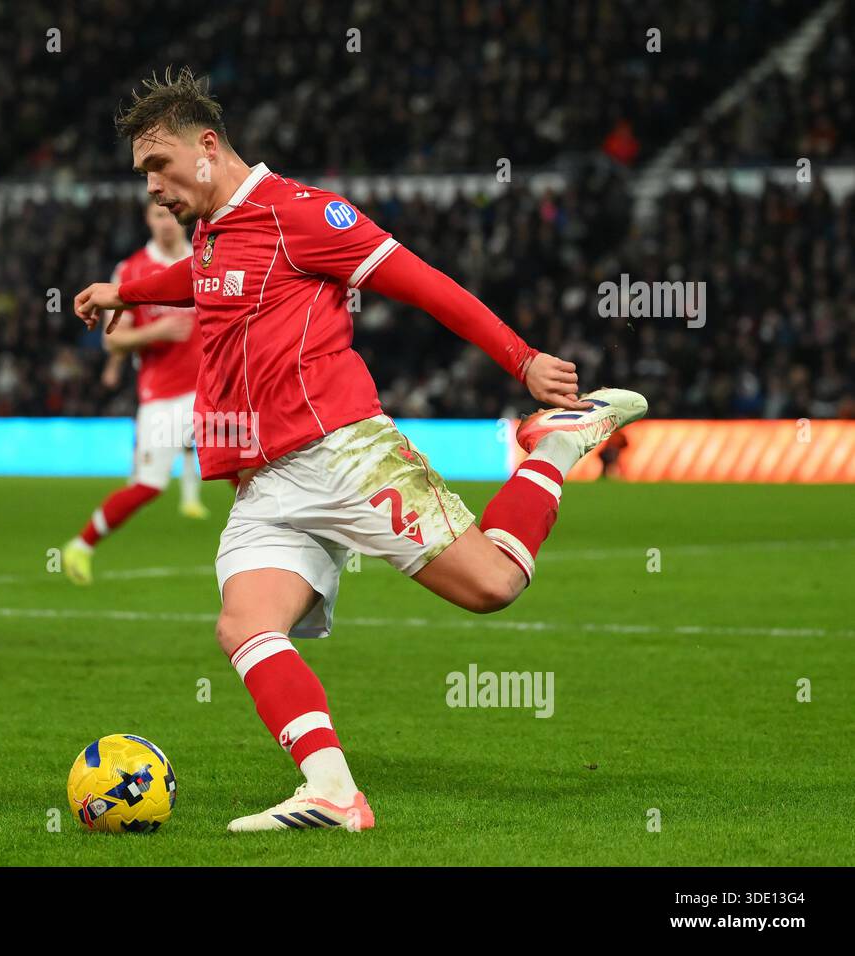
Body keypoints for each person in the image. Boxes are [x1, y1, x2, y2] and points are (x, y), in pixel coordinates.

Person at [74, 68, 647, 832]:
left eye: (158, 165)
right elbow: (207, 280)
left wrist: (522, 361)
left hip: (342, 455)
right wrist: (132, 293)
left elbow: (425, 284)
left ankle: (550, 447)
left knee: (495, 584)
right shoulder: (214, 232)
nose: (151, 187)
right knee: (244, 626)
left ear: (206, 147)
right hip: (263, 483)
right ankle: (334, 792)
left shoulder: (303, 214)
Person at [61, 200, 207, 585]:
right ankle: (81, 544)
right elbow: (113, 341)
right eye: (158, 215)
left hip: (212, 394)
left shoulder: (207, 260)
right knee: (147, 486)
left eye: (172, 215)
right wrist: (155, 333)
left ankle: (279, 558)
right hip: (163, 397)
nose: (167, 223)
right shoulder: (131, 271)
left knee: (247, 474)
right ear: (148, 219)